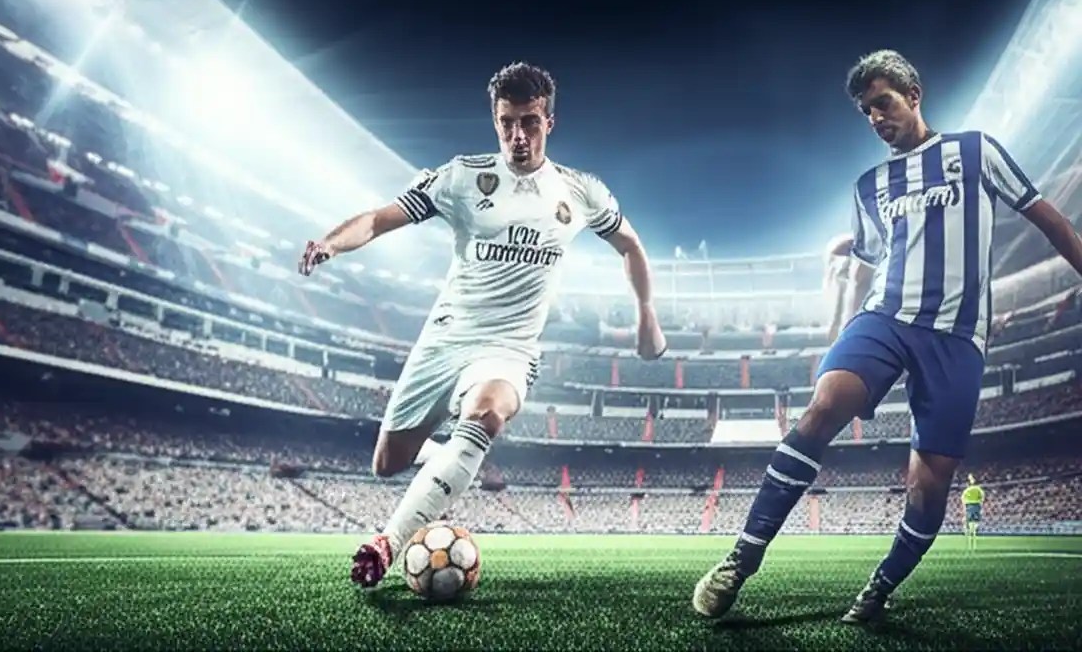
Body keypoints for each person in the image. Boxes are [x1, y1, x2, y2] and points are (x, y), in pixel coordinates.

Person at [692, 49, 1082, 623]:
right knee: (824, 405)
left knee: (929, 485)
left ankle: (879, 587)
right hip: (886, 320)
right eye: (866, 111)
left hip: (957, 337)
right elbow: (871, 261)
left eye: (883, 103)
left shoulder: (974, 150)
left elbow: (1050, 219)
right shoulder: (869, 185)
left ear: (913, 96)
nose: (875, 118)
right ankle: (740, 559)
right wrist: (838, 322)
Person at [298, 62, 668, 588]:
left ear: (550, 122)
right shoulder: (462, 177)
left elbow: (630, 245)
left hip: (509, 348)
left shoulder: (580, 192)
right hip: (445, 339)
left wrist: (646, 314)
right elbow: (381, 218)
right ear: (495, 121)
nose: (518, 136)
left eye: (530, 123)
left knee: (487, 412)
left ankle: (387, 541)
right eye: (507, 122)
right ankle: (449, 469)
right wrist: (331, 242)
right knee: (388, 462)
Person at [962, 473, 985, 551]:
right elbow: (982, 497)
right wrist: (980, 503)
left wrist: (965, 505)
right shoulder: (978, 489)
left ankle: (968, 531)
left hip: (969, 506)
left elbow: (963, 499)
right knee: (976, 521)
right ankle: (974, 532)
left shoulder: (967, 490)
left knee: (968, 520)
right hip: (976, 506)